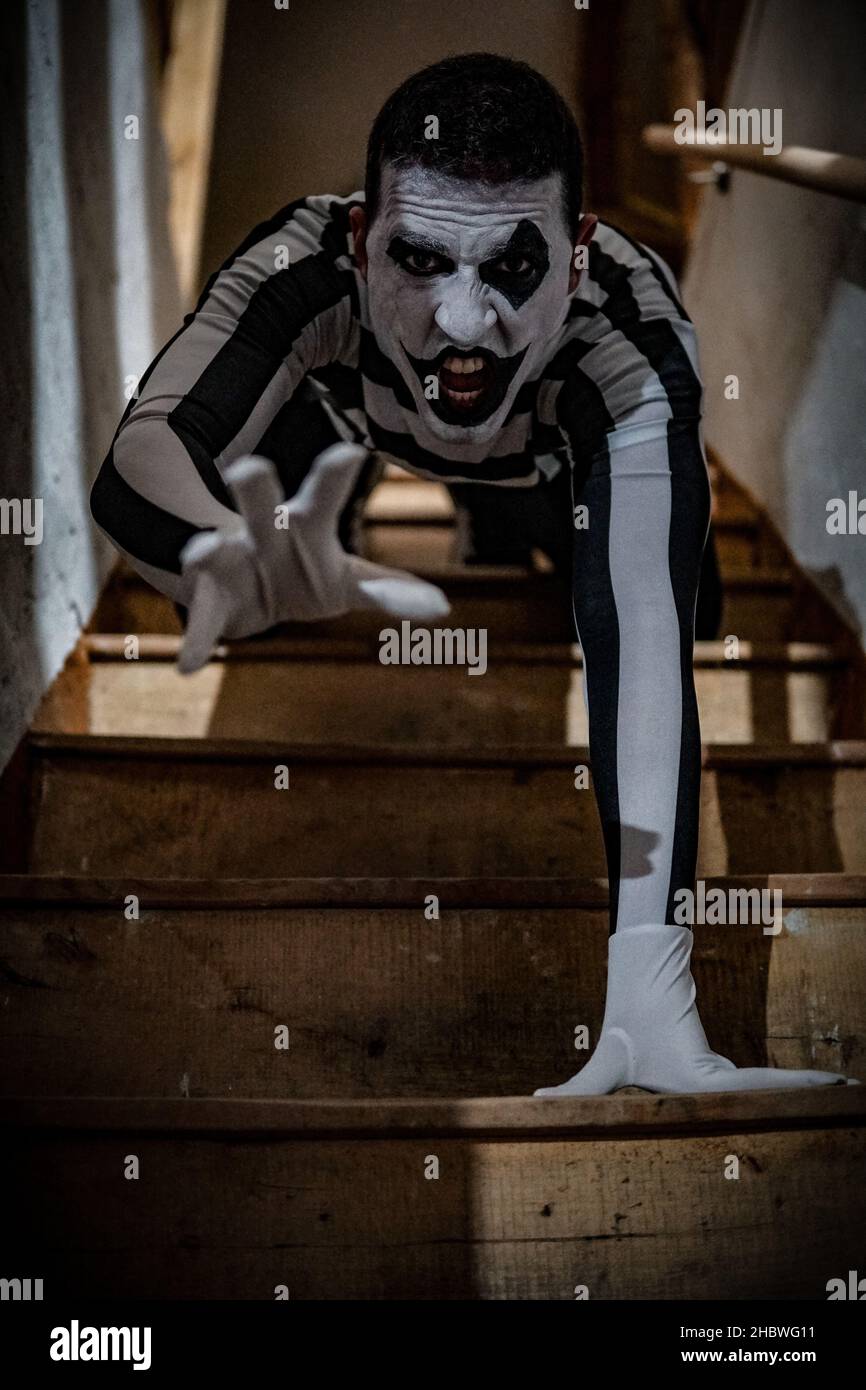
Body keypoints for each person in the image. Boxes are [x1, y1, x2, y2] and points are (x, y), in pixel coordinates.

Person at [91, 53, 850, 1094]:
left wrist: (648, 980)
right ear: (357, 242)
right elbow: (146, 449)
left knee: (684, 599)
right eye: (416, 260)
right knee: (309, 470)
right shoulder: (298, 264)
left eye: (510, 269)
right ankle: (374, 511)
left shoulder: (625, 331)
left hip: (540, 466)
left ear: (578, 256)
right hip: (351, 428)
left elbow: (635, 631)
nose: (461, 323)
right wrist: (207, 547)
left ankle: (490, 525)